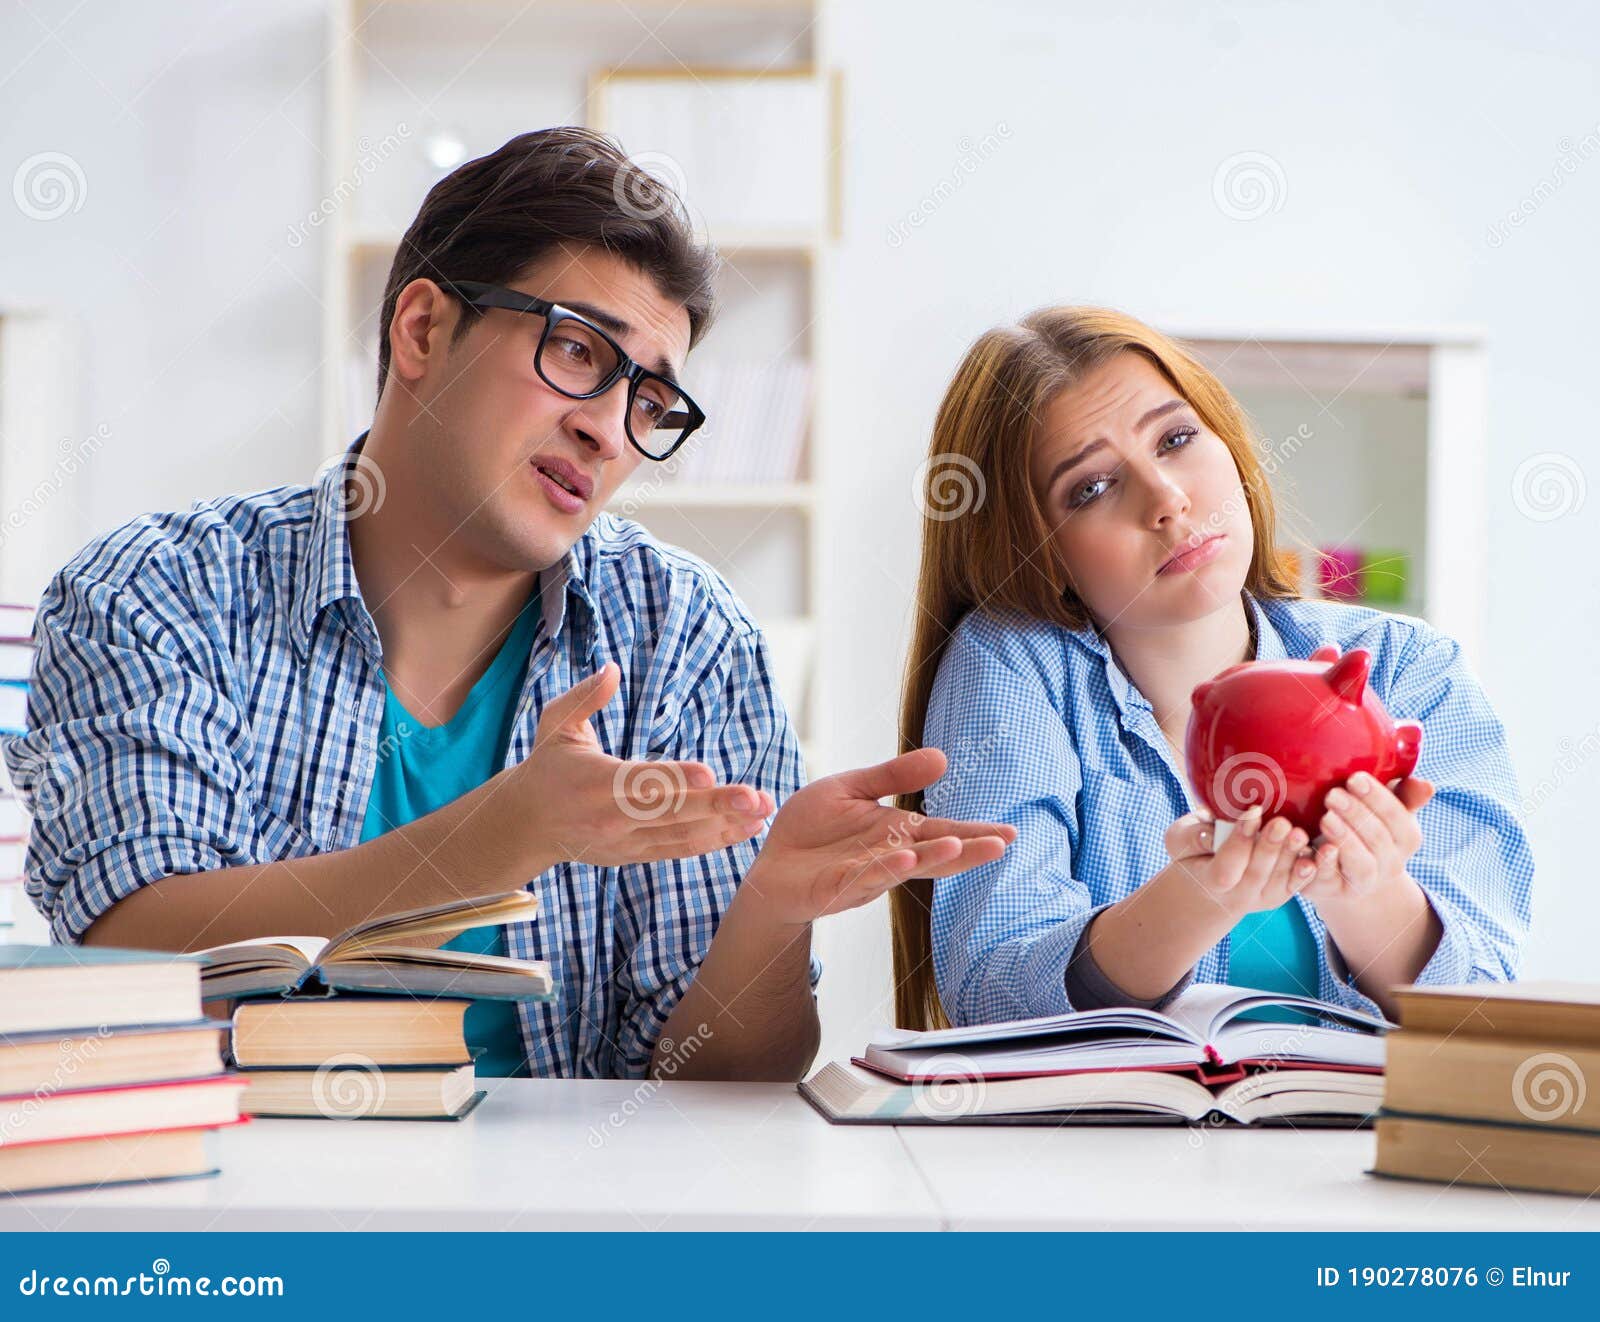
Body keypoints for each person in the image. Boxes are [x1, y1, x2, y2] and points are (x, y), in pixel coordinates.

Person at [4, 128, 1015, 1081]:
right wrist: (494, 838)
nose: (610, 432)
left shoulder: (689, 637)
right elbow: (127, 954)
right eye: (580, 352)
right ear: (423, 328)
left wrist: (773, 918)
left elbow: (711, 1086)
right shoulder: (152, 590)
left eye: (649, 403)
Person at [889, 306, 1531, 1030]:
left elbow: (1482, 1012)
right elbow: (990, 989)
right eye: (1090, 488)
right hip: (1107, 1145)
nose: (1167, 499)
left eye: (1177, 438)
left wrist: (1367, 895)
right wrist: (1196, 901)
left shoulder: (1405, 669)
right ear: (1039, 552)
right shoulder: (1010, 665)